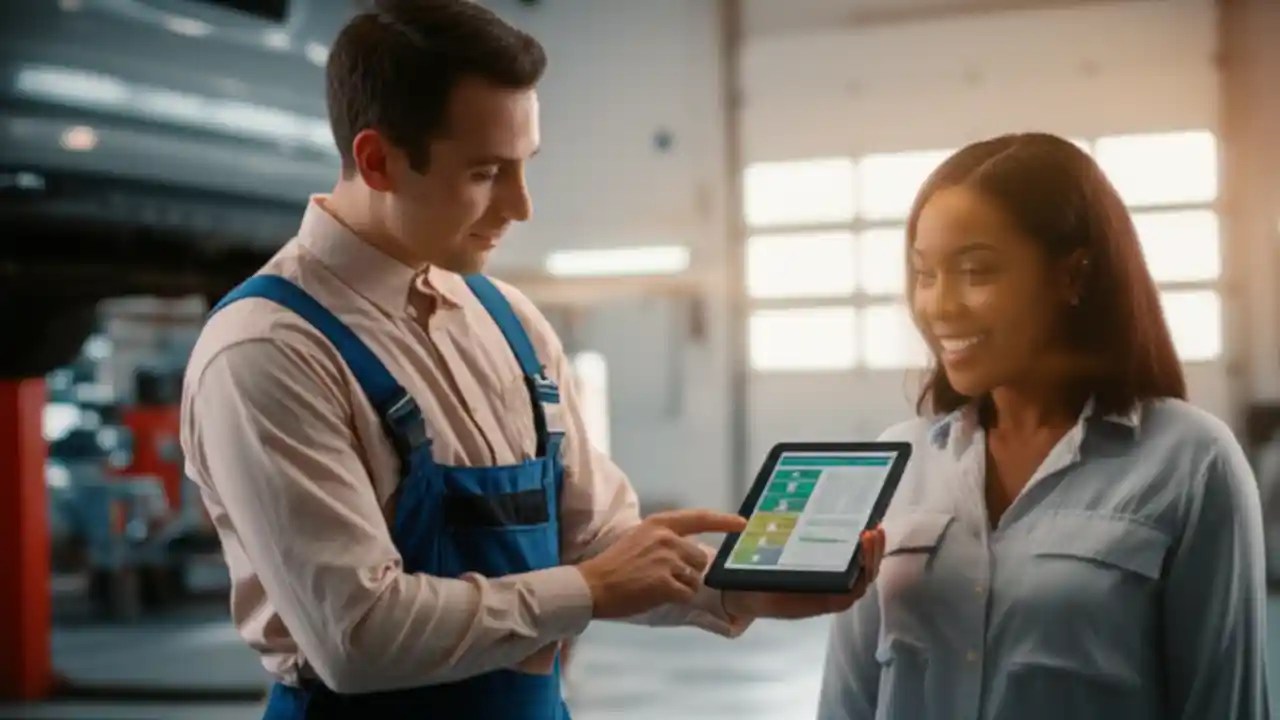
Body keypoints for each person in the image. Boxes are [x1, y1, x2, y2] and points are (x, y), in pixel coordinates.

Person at [179, 2, 885, 719]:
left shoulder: (507, 321)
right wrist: (589, 592)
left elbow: (596, 541)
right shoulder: (270, 351)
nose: (521, 206)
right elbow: (356, 634)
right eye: (486, 171)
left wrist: (739, 589)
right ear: (378, 160)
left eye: (525, 167)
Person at [817, 133, 1269, 720]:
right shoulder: (897, 461)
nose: (940, 306)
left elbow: (1222, 704)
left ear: (1073, 276)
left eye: (976, 271)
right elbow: (847, 702)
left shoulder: (1189, 462)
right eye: (925, 275)